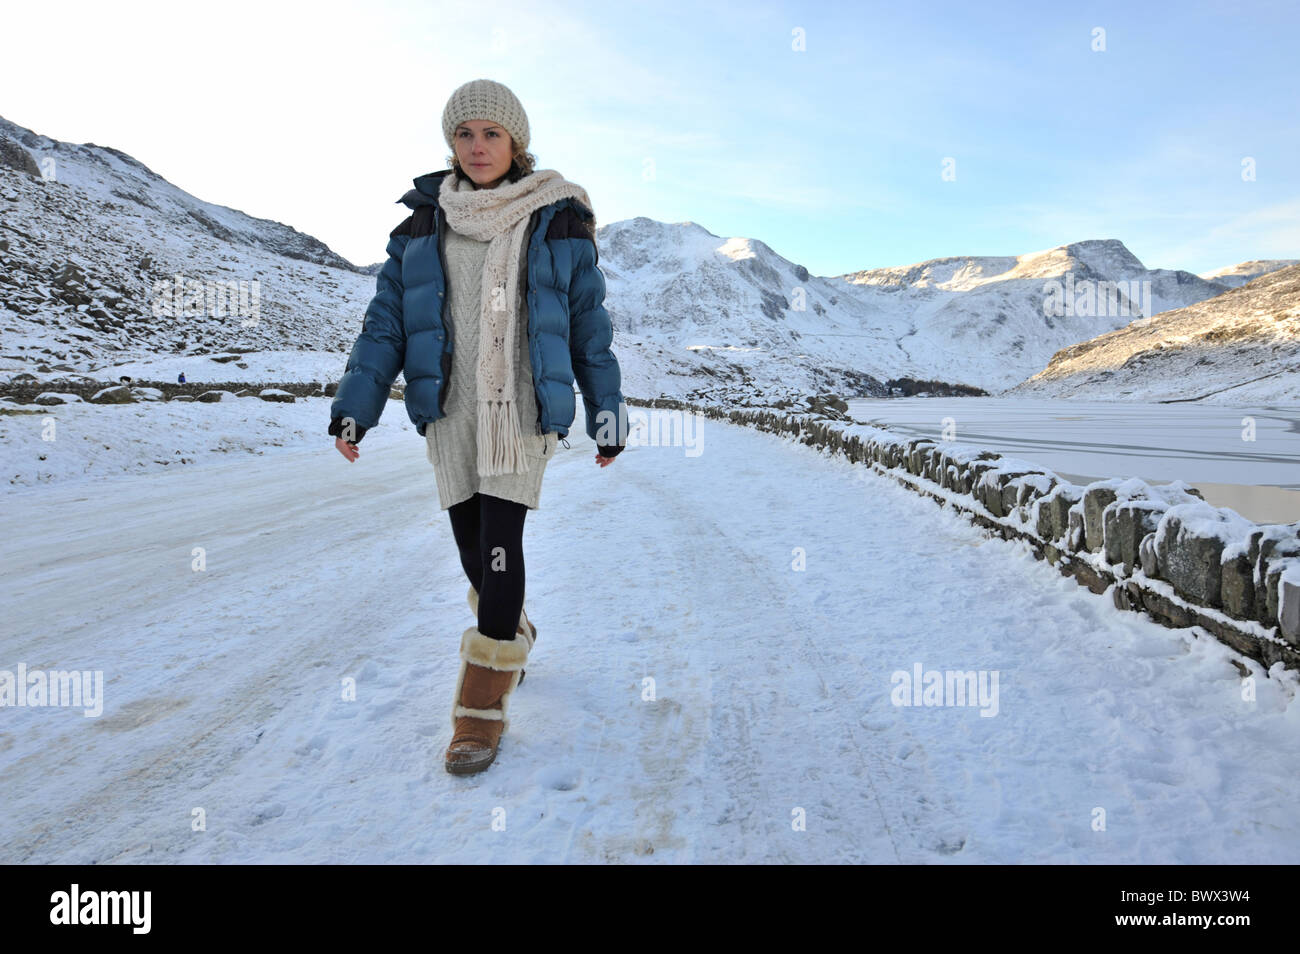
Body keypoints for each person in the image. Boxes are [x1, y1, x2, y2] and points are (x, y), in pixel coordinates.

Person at [327, 78, 628, 775]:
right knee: (471, 548)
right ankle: (511, 633)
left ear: (516, 141)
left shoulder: (557, 217)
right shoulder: (420, 225)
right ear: (450, 145)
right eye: (464, 134)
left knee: (500, 541)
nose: (477, 146)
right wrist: (355, 407)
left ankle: (479, 711)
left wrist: (606, 414)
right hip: (452, 409)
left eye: (492, 133)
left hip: (519, 410)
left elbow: (589, 328)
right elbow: (386, 329)